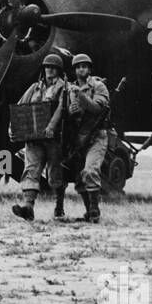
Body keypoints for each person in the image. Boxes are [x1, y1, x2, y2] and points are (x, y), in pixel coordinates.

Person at [10, 54, 70, 222]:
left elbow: (61, 108)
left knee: (54, 175)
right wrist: (14, 128)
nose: (49, 69)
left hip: (54, 139)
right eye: (46, 66)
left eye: (53, 67)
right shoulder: (35, 88)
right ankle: (28, 207)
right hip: (34, 137)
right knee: (31, 170)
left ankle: (59, 206)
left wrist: (51, 126)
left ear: (58, 70)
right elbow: (20, 107)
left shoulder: (64, 88)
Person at [64, 53, 112, 223]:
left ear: (89, 69)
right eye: (78, 67)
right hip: (79, 138)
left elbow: (97, 109)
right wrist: (71, 111)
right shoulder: (70, 89)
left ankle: (94, 210)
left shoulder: (99, 86)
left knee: (90, 170)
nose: (81, 69)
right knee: (79, 178)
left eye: (84, 66)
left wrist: (81, 96)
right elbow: (67, 112)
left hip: (96, 135)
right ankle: (88, 211)